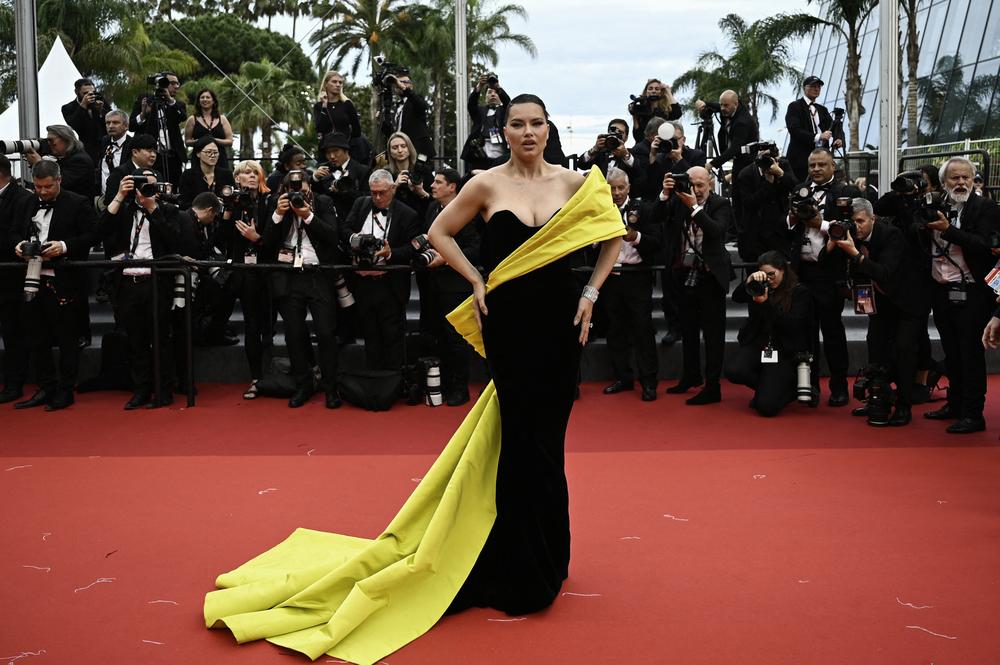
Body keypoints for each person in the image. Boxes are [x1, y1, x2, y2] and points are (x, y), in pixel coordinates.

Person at [203, 93, 624, 663]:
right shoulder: (484, 184)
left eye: (537, 123)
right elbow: (438, 234)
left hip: (557, 331)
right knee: (519, 447)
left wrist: (592, 293)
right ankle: (517, 566)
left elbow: (613, 233)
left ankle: (550, 556)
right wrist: (477, 279)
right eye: (517, 124)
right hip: (507, 328)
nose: (528, 132)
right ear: (504, 130)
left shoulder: (574, 184)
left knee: (549, 445)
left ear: (549, 129)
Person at [820, 197, 926, 427]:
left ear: (872, 219)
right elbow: (823, 263)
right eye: (852, 221)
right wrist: (832, 244)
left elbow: (884, 272)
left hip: (907, 302)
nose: (855, 226)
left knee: (903, 349)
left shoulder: (891, 235)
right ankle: (878, 399)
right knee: (875, 347)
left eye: (860, 221)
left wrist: (853, 253)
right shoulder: (849, 236)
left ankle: (904, 406)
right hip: (879, 303)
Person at [918, 157, 1000, 434]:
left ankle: (973, 414)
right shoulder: (934, 207)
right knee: (951, 352)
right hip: (940, 290)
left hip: (973, 291)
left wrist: (948, 231)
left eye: (966, 177)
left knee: (970, 354)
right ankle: (954, 404)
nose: (961, 182)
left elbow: (986, 246)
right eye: (955, 178)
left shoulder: (985, 207)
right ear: (944, 183)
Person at [11, 159, 97, 411]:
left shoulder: (78, 203)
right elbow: (13, 232)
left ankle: (65, 389)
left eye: (48, 186)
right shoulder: (27, 202)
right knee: (35, 338)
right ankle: (45, 387)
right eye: (38, 187)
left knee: (67, 338)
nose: (43, 192)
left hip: (64, 280)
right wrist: (17, 246)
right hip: (30, 279)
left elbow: (93, 235)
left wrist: (64, 246)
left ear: (59, 180)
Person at [784, 148, 861, 407]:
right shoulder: (799, 189)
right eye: (812, 165)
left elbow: (853, 228)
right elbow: (787, 224)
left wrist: (822, 224)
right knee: (805, 333)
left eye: (821, 164)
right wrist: (794, 216)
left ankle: (839, 387)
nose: (816, 169)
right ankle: (810, 386)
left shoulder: (846, 192)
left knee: (832, 332)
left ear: (832, 166)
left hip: (829, 273)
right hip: (801, 271)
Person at [102, 169, 183, 409]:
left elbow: (175, 240)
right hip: (128, 283)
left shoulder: (168, 210)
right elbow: (101, 229)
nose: (145, 191)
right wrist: (118, 196)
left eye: (150, 186)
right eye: (141, 186)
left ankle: (163, 390)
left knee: (160, 339)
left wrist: (152, 208)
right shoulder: (124, 211)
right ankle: (140, 390)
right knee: (135, 340)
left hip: (156, 282)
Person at [261, 170, 342, 408]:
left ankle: (331, 387)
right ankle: (303, 384)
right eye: (292, 188)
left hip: (318, 274)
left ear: (310, 188)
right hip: (290, 277)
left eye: (302, 187)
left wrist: (307, 215)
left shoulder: (323, 202)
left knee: (326, 333)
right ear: (284, 190)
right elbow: (267, 243)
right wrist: (277, 214)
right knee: (293, 334)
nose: (298, 193)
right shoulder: (278, 206)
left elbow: (331, 235)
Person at [659, 167, 734, 405]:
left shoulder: (721, 204)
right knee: (688, 331)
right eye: (692, 184)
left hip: (711, 277)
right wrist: (664, 193)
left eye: (701, 185)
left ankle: (713, 387)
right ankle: (690, 376)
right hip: (685, 275)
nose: (696, 190)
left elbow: (716, 231)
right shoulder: (678, 201)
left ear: (710, 184)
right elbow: (654, 216)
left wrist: (694, 207)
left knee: (713, 335)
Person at [341, 169, 421, 372]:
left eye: (382, 192)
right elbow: (345, 229)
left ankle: (392, 382)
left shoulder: (407, 214)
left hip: (390, 284)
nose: (377, 197)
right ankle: (374, 383)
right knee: (370, 335)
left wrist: (389, 253)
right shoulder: (360, 204)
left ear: (393, 189)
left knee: (392, 336)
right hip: (363, 282)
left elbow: (413, 247)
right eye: (373, 192)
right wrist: (355, 240)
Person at [725, 250, 812, 416]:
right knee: (734, 370)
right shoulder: (760, 287)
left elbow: (791, 325)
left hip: (784, 350)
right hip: (760, 344)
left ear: (784, 270)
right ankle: (766, 388)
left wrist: (765, 304)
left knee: (766, 408)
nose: (769, 279)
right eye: (765, 275)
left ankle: (788, 390)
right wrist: (749, 281)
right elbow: (737, 297)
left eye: (772, 274)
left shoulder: (799, 292)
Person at [600, 167, 662, 401]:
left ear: (628, 188)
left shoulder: (644, 209)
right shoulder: (598, 211)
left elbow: (657, 242)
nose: (616, 193)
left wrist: (634, 237)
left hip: (636, 275)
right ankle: (623, 377)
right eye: (612, 188)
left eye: (620, 188)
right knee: (615, 329)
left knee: (642, 329)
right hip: (609, 276)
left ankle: (649, 381)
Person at [215, 161, 274, 399]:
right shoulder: (233, 204)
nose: (250, 176)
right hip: (244, 272)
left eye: (254, 172)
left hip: (269, 269)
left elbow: (276, 238)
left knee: (269, 325)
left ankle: (274, 376)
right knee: (251, 324)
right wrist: (229, 211)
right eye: (245, 173)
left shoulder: (270, 201)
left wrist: (256, 238)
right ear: (236, 179)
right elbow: (220, 240)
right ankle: (256, 378)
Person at [421, 168, 479, 405]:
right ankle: (442, 384)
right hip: (432, 284)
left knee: (456, 339)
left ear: (452, 187)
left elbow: (476, 249)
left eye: (438, 182)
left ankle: (460, 388)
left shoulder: (467, 212)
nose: (432, 185)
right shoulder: (432, 209)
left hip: (456, 286)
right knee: (438, 337)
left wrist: (447, 257)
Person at [0, 155, 33, 403]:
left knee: (13, 332)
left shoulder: (23, 198)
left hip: (10, 276)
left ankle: (14, 382)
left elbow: (17, 235)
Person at [735, 143, 797, 262]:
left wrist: (781, 174)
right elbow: (749, 203)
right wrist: (768, 184)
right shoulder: (746, 174)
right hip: (755, 233)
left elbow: (797, 189)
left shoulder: (783, 165)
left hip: (779, 231)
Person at [130, 72, 186, 185]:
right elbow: (132, 126)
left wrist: (169, 100)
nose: (176, 86)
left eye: (177, 83)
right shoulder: (145, 100)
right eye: (172, 83)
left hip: (173, 157)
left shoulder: (176, 104)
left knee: (173, 188)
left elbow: (182, 117)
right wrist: (143, 114)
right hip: (150, 156)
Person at [784, 76, 839, 182]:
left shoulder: (822, 109)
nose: (816, 89)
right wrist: (818, 136)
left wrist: (838, 138)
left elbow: (835, 127)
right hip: (800, 160)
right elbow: (794, 130)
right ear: (805, 88)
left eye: (819, 86)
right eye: (813, 86)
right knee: (801, 190)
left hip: (822, 159)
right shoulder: (795, 106)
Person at [23, 124, 97, 200]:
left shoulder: (80, 160)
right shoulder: (66, 157)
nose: (49, 144)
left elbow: (59, 184)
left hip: (77, 208)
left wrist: (38, 164)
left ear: (66, 139)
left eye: (51, 140)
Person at [311, 132, 370, 222]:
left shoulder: (362, 170)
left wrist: (344, 191)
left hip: (353, 222)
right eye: (328, 153)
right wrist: (315, 178)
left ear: (346, 150)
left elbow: (367, 198)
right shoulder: (323, 170)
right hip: (330, 224)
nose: (332, 156)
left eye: (335, 150)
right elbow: (315, 196)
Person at [461, 73, 511, 173]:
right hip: (479, 152)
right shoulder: (480, 111)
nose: (492, 94)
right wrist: (480, 85)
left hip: (499, 151)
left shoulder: (504, 111)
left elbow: (508, 102)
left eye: (495, 92)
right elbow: (471, 105)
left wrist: (497, 87)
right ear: (485, 97)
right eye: (489, 92)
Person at [378, 131, 432, 219]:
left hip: (420, 218)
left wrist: (421, 192)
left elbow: (434, 201)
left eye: (403, 146)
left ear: (409, 148)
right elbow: (379, 202)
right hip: (394, 220)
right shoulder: (386, 174)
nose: (400, 150)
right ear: (390, 152)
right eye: (395, 147)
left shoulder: (422, 170)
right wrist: (395, 186)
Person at [178, 136, 235, 209]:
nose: (213, 155)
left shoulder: (226, 174)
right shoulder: (188, 175)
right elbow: (184, 203)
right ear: (198, 153)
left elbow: (232, 199)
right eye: (208, 152)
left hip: (222, 216)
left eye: (215, 152)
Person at [183, 88, 234, 170]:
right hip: (199, 159)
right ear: (199, 101)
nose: (205, 99)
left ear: (213, 101)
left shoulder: (222, 119)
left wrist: (213, 140)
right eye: (202, 97)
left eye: (208, 97)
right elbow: (187, 142)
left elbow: (229, 141)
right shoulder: (192, 119)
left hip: (219, 158)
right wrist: (201, 141)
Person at [388, 72, 435, 159]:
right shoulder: (396, 107)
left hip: (419, 151)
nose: (400, 84)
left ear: (411, 85)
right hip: (402, 151)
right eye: (398, 82)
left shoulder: (415, 100)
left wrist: (404, 88)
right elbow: (394, 133)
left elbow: (423, 106)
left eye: (404, 82)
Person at [313, 71, 363, 150]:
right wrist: (325, 105)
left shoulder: (347, 104)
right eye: (334, 82)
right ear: (326, 84)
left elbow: (357, 131)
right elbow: (320, 128)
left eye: (340, 82)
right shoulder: (319, 106)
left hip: (346, 149)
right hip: (327, 149)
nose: (338, 85)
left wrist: (348, 144)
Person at [61, 78, 107, 163]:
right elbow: (74, 125)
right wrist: (83, 106)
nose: (89, 96)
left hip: (102, 147)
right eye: (85, 93)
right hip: (83, 149)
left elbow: (110, 120)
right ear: (76, 92)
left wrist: (100, 111)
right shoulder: (68, 108)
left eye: (92, 93)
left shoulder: (99, 101)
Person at [628, 78, 681, 143]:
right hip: (645, 145)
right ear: (646, 92)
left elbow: (677, 113)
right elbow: (637, 136)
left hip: (663, 143)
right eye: (650, 89)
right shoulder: (641, 109)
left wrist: (668, 92)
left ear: (661, 92)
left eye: (657, 89)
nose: (653, 91)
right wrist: (634, 115)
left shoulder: (666, 111)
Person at [98, 110, 132, 200]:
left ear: (126, 126)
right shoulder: (104, 141)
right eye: (108, 123)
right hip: (103, 197)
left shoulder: (133, 144)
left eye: (115, 122)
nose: (111, 126)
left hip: (124, 198)